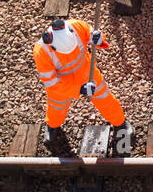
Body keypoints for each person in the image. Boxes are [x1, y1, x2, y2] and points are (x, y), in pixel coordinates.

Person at [33, 18, 131, 153]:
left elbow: (93, 34)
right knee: (56, 106)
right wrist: (78, 90)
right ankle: (52, 126)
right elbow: (51, 83)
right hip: (62, 83)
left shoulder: (77, 26)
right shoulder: (41, 51)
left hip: (87, 72)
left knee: (105, 98)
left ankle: (120, 123)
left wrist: (99, 37)